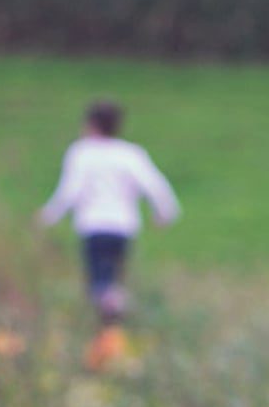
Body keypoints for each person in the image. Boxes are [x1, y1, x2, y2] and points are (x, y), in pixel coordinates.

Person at [36, 100, 180, 324]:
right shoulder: (130, 154)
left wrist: (48, 216)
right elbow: (154, 185)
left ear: (91, 124)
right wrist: (165, 212)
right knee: (114, 277)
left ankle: (110, 316)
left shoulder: (82, 153)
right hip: (123, 227)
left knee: (98, 281)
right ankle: (114, 319)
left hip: (93, 225)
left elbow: (70, 191)